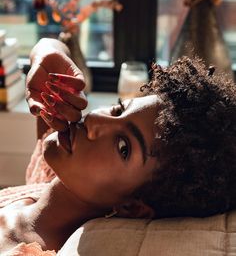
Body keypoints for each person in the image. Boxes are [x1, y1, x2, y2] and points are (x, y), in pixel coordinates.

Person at [0, 38, 236, 253]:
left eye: (123, 147)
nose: (94, 120)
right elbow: (49, 46)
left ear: (131, 207)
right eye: (118, 109)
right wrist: (48, 55)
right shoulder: (51, 174)